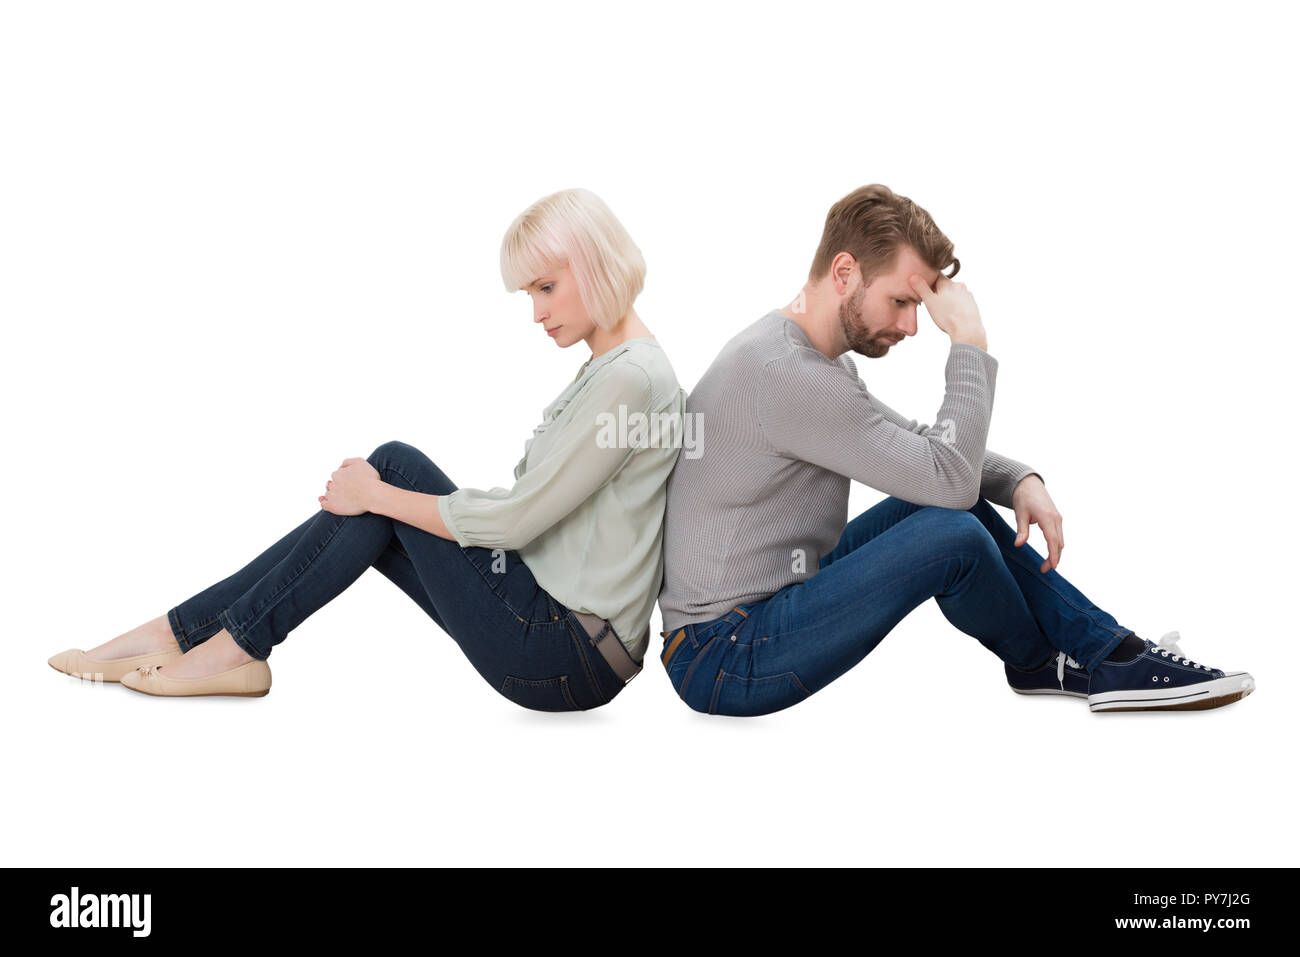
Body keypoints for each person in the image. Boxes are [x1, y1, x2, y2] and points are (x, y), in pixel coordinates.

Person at [49, 188, 686, 709]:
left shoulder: (630, 380)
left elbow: (520, 518)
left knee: (392, 471)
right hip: (555, 635)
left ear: (595, 261)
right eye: (529, 295)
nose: (537, 313)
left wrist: (380, 493)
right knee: (384, 494)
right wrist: (381, 499)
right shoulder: (614, 369)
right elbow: (531, 510)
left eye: (545, 287)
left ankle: (214, 643)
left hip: (563, 651)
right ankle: (192, 638)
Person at [656, 183, 1254, 716]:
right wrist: (968, 341)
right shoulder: (789, 375)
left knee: (951, 507)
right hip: (724, 656)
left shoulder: (798, 355)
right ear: (844, 273)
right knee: (954, 528)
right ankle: (1062, 659)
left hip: (766, 606)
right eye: (901, 301)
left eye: (920, 307)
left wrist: (1017, 477)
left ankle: (1101, 653)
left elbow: (923, 453)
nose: (914, 326)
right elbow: (949, 479)